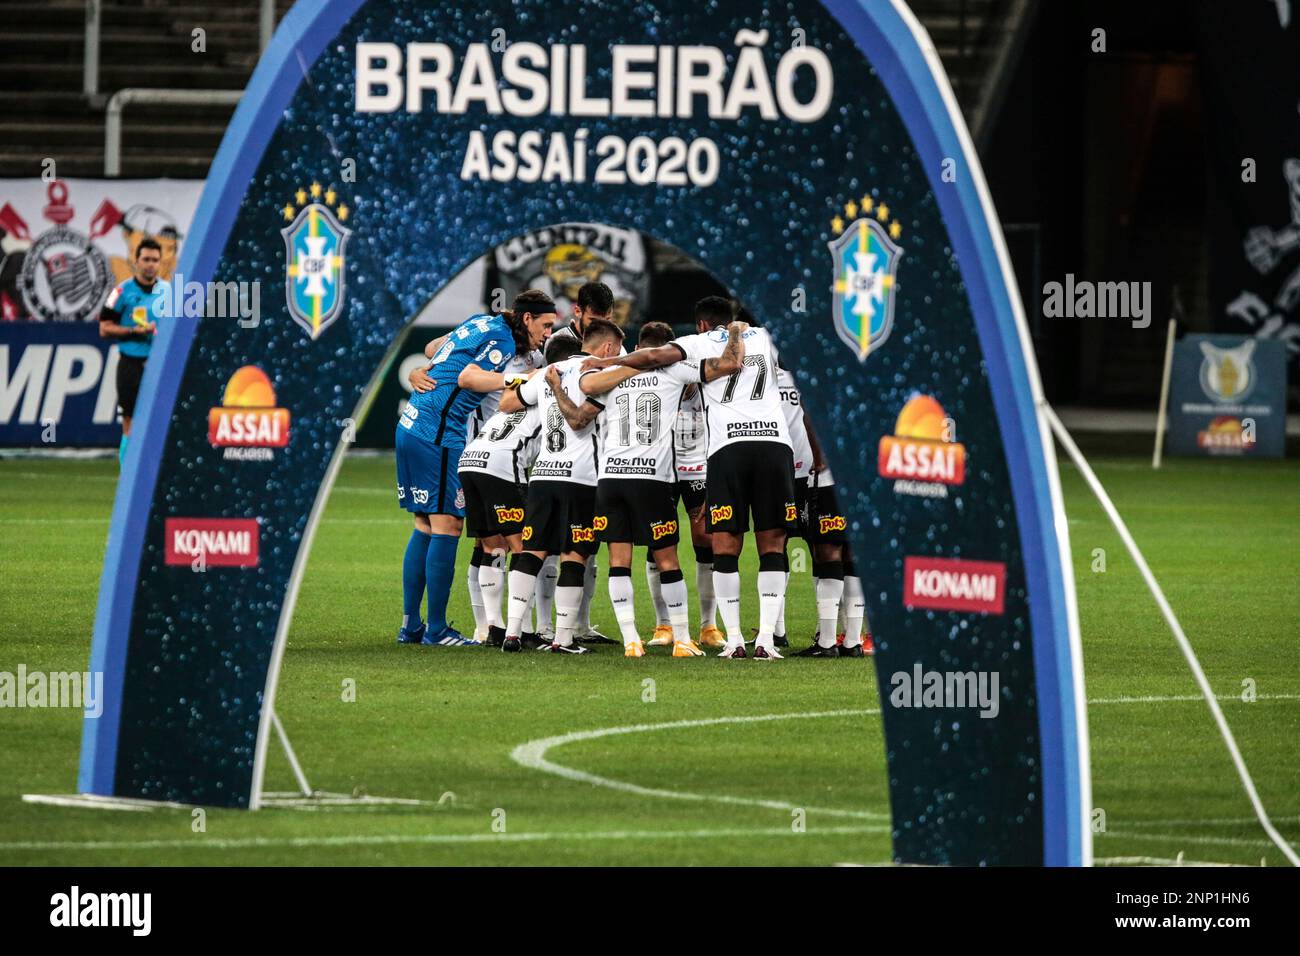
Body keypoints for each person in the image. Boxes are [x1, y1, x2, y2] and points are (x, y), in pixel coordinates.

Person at [582, 297, 797, 660]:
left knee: (724, 545)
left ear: (699, 325)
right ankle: (766, 640)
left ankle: (734, 641)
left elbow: (651, 359)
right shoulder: (768, 338)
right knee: (772, 544)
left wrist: (609, 361)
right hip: (774, 446)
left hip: (724, 451)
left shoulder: (693, 347)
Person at [395, 290, 555, 646]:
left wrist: (426, 371)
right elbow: (468, 377)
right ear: (526, 318)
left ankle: (412, 626)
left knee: (424, 523)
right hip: (438, 430)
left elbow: (436, 347)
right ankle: (435, 629)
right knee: (448, 525)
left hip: (412, 423)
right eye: (544, 325)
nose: (547, 333)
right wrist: (523, 380)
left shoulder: (484, 321)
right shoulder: (500, 337)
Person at [576, 318, 744, 657]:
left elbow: (582, 408)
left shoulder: (609, 378)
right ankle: (681, 637)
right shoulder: (675, 371)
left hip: (610, 478)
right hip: (652, 478)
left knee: (619, 561)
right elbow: (729, 365)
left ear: (640, 348)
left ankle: (631, 641)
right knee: (668, 558)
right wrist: (737, 331)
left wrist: (608, 364)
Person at [496, 320, 625, 653]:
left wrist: (541, 390)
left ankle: (512, 633)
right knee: (574, 555)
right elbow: (580, 419)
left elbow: (506, 402)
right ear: (607, 348)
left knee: (533, 551)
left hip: (543, 475)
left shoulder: (548, 370)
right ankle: (563, 639)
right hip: (580, 479)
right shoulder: (596, 378)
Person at [457, 404, 543, 646]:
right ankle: (523, 631)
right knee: (523, 547)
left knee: (492, 546)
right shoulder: (553, 403)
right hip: (502, 465)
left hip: (470, 460)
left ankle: (494, 627)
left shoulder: (511, 401)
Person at [99, 238, 169, 465]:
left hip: (158, 366)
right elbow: (104, 328)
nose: (150, 264)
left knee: (160, 421)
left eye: (155, 260)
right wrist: (132, 331)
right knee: (129, 420)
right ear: (135, 261)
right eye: (146, 259)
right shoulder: (120, 292)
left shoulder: (169, 291)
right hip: (130, 364)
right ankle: (126, 475)